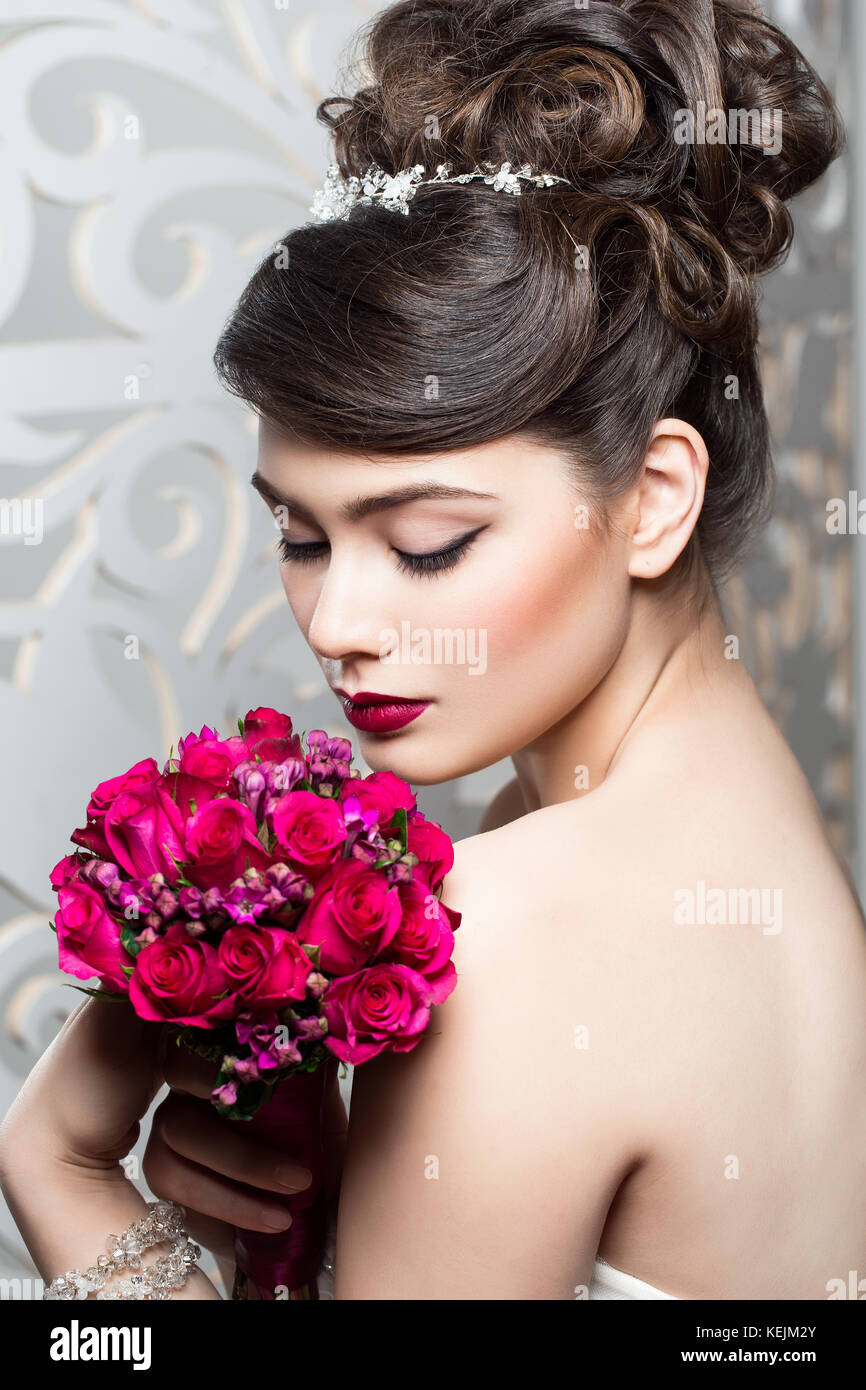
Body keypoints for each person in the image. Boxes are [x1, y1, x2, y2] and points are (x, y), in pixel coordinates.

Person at [2, 0, 865, 1300]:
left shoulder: (520, 929)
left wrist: (60, 1173)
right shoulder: (749, 831)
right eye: (301, 536)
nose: (341, 623)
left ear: (648, 498)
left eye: (422, 545)